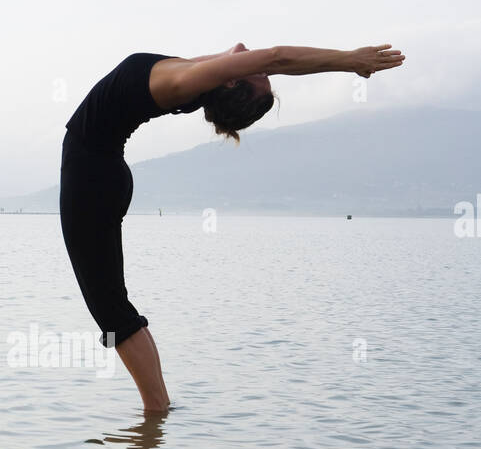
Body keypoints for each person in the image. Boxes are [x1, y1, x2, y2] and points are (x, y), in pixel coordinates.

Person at [59, 42, 405, 412]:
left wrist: (350, 61)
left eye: (255, 74)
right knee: (115, 308)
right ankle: (157, 421)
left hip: (91, 180)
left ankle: (154, 419)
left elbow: (277, 57)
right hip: (102, 174)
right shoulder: (195, 73)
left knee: (111, 312)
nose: (259, 66)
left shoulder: (187, 79)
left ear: (228, 82)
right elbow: (269, 60)